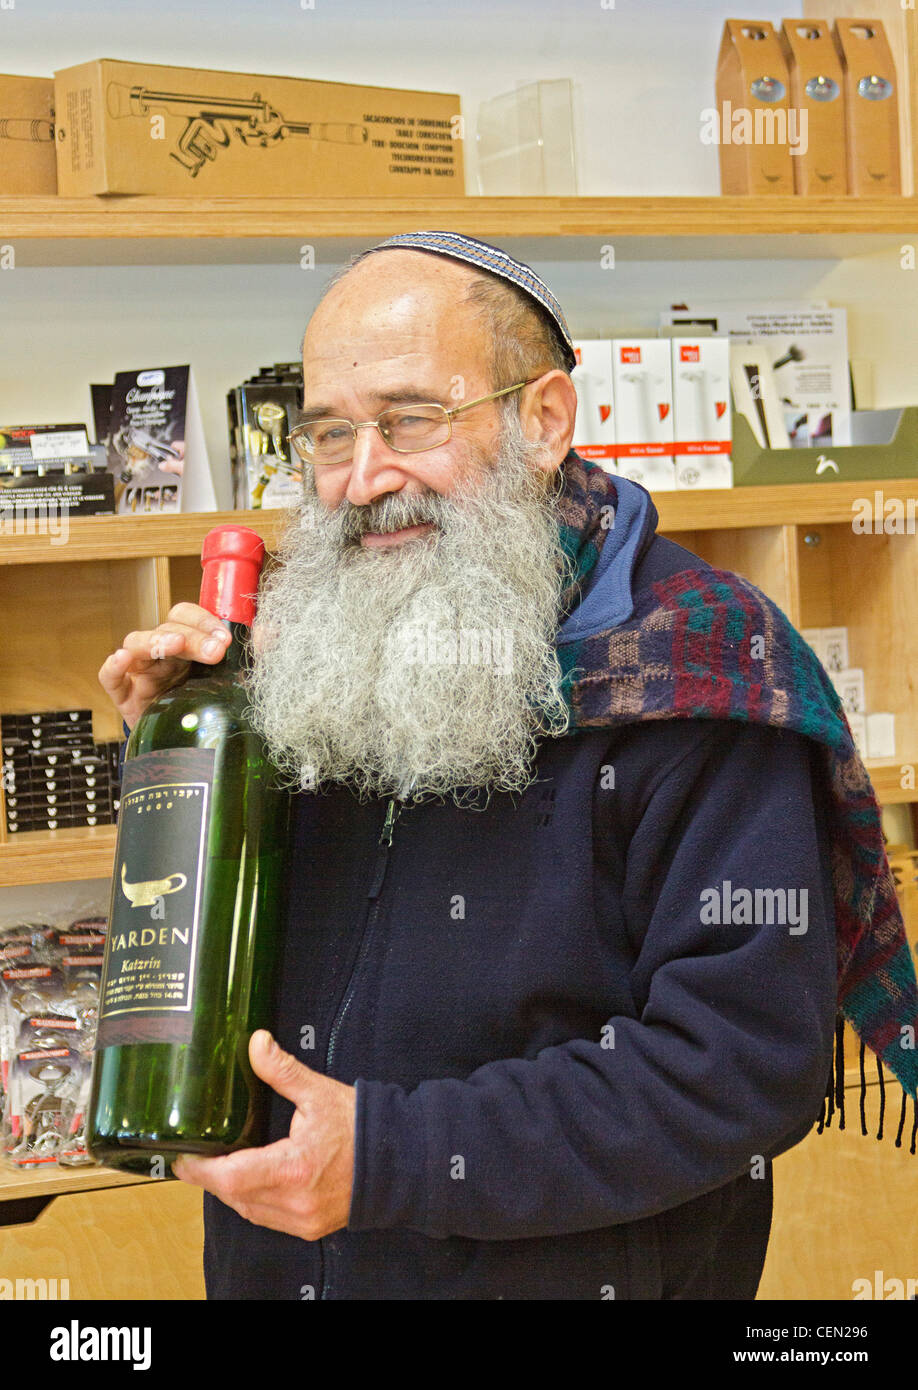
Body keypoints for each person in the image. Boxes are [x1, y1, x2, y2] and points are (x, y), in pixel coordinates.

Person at [98, 232, 914, 1301]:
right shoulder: (307, 654)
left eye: (411, 420)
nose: (362, 478)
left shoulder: (705, 663)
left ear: (544, 420)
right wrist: (184, 779)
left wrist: (393, 1155)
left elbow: (740, 1067)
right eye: (330, 435)